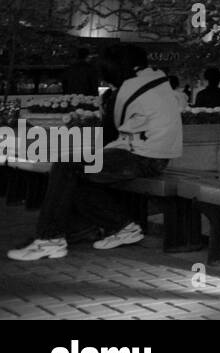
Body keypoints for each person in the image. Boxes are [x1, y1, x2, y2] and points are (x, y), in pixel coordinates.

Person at [8, 43, 183, 261]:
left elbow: (108, 134)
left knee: (66, 166)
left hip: (141, 157)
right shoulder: (155, 79)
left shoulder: (128, 88)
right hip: (152, 155)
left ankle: (50, 239)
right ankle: (117, 227)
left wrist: (105, 106)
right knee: (72, 172)